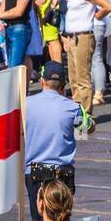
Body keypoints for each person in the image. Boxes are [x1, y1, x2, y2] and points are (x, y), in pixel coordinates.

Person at [23, 61, 81, 213]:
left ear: (42, 81)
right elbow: (83, 133)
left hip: (35, 172)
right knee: (62, 219)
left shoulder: (26, 104)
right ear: (63, 86)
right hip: (63, 172)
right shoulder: (74, 108)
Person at [61, 0, 111, 128]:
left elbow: (107, 6)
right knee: (73, 78)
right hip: (73, 37)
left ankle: (86, 116)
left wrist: (96, 17)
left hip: (83, 36)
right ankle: (77, 114)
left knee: (83, 78)